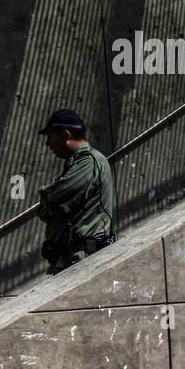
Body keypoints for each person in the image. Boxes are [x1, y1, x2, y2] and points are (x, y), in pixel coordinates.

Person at [38, 108, 115, 274]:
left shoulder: (89, 162)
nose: (48, 144)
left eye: (50, 136)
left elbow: (53, 199)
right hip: (74, 258)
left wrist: (47, 204)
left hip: (84, 259)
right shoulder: (77, 163)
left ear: (66, 135)